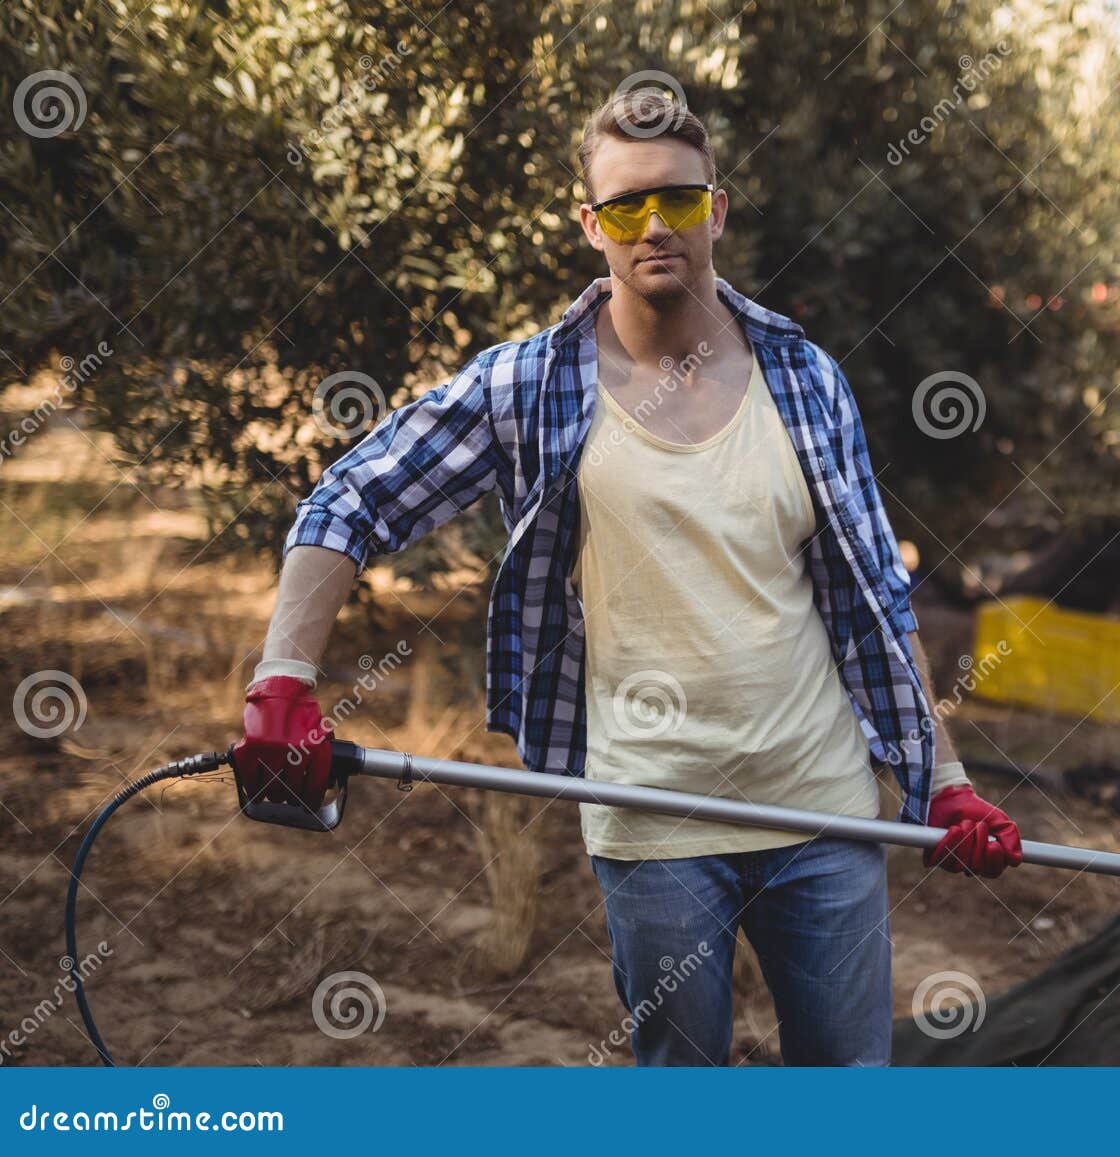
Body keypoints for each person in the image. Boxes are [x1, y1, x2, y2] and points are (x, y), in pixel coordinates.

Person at [233, 89, 1023, 1066]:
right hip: (653, 814)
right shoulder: (526, 385)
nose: (655, 227)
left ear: (717, 210)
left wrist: (943, 779)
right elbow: (350, 499)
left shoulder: (805, 378)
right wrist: (281, 682)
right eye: (625, 207)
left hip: (822, 805)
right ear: (589, 225)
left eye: (680, 202)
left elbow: (873, 594)